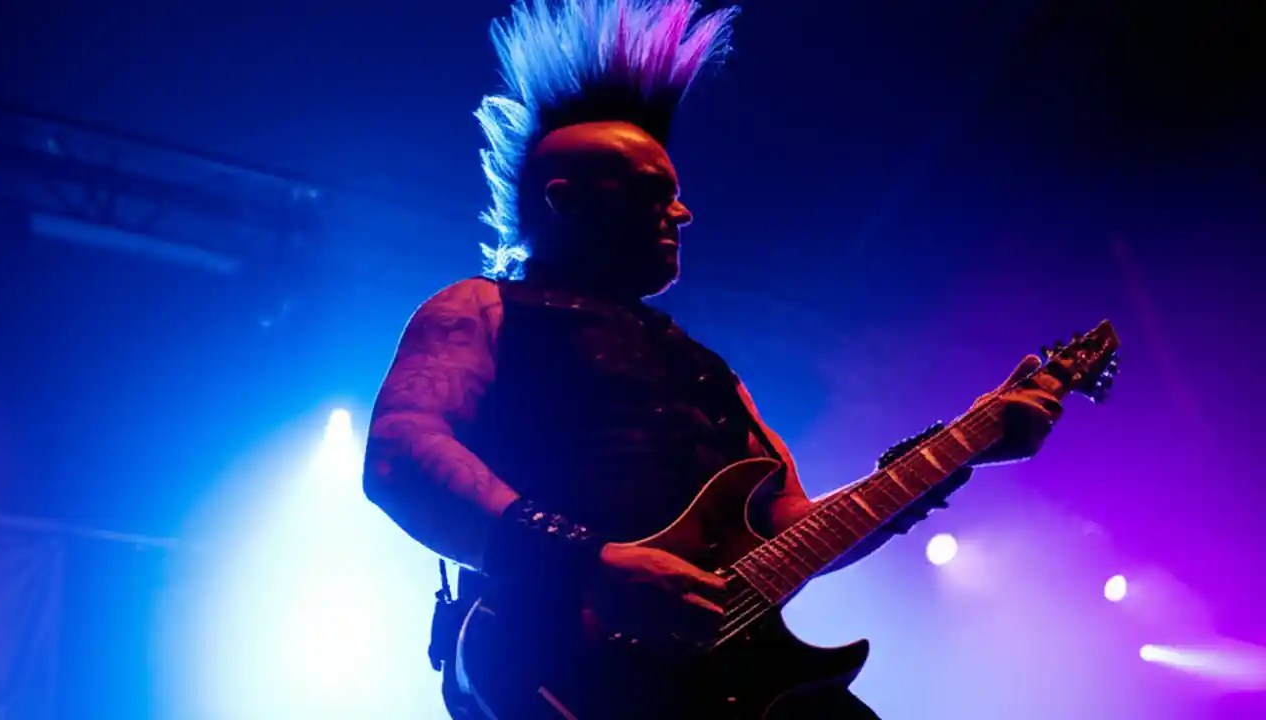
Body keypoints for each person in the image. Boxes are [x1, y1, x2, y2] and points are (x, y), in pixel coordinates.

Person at [362, 1, 1062, 717]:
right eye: (652, 192)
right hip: (550, 665)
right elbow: (400, 456)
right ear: (564, 202)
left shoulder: (706, 370)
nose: (683, 212)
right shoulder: (479, 309)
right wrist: (589, 565)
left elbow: (793, 531)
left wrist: (960, 451)